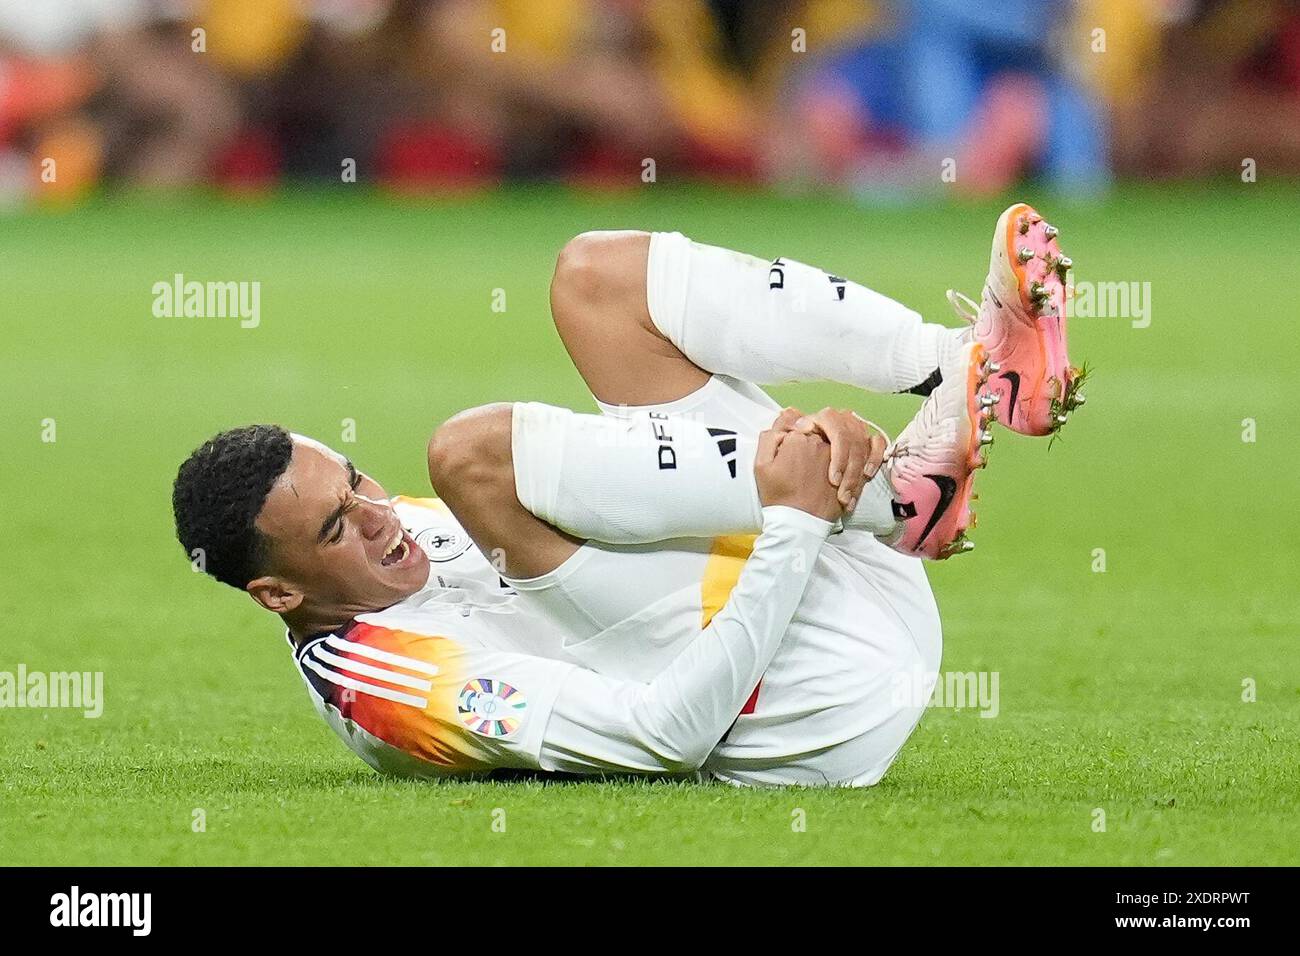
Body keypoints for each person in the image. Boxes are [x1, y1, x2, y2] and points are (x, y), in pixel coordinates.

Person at [172, 203, 1083, 786]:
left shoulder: (391, 528)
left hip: (835, 585)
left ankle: (962, 370)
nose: (379, 514)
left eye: (358, 481)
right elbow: (663, 739)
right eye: (337, 525)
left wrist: (807, 450)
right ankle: (896, 495)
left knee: (595, 279)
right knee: (474, 456)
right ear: (279, 593)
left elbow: (631, 481)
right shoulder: (389, 682)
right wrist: (801, 510)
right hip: (810, 705)